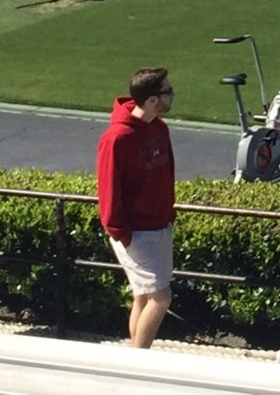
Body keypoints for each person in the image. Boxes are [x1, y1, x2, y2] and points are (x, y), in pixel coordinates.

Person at [96, 67, 177, 349]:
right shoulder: (117, 138)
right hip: (137, 234)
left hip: (159, 225)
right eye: (168, 92)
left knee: (144, 297)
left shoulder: (159, 128)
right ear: (152, 100)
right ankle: (138, 363)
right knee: (161, 298)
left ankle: (133, 357)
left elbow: (166, 174)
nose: (172, 96)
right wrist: (122, 233)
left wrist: (168, 214)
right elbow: (108, 190)